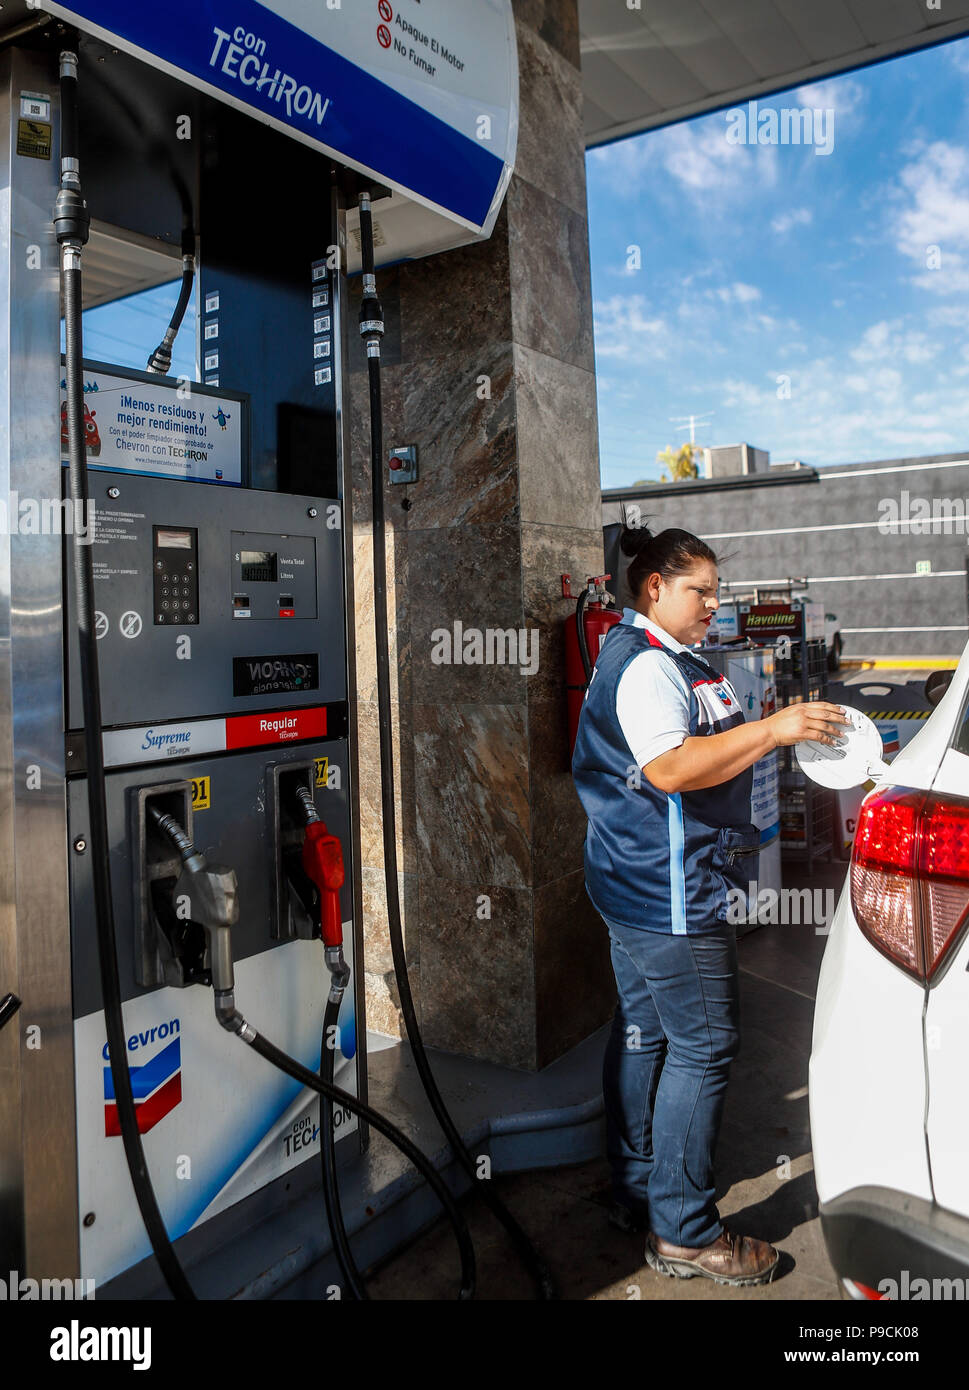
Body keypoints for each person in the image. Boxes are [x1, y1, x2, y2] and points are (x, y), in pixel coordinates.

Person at [571, 523, 850, 1286]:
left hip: (635, 882)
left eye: (715, 590)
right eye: (699, 589)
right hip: (666, 894)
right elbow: (668, 767)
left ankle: (638, 1183)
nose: (713, 604)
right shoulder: (644, 667)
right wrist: (772, 728)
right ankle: (686, 1231)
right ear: (653, 587)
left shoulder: (673, 659)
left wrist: (773, 733)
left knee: (646, 1032)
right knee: (702, 1046)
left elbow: (713, 741)